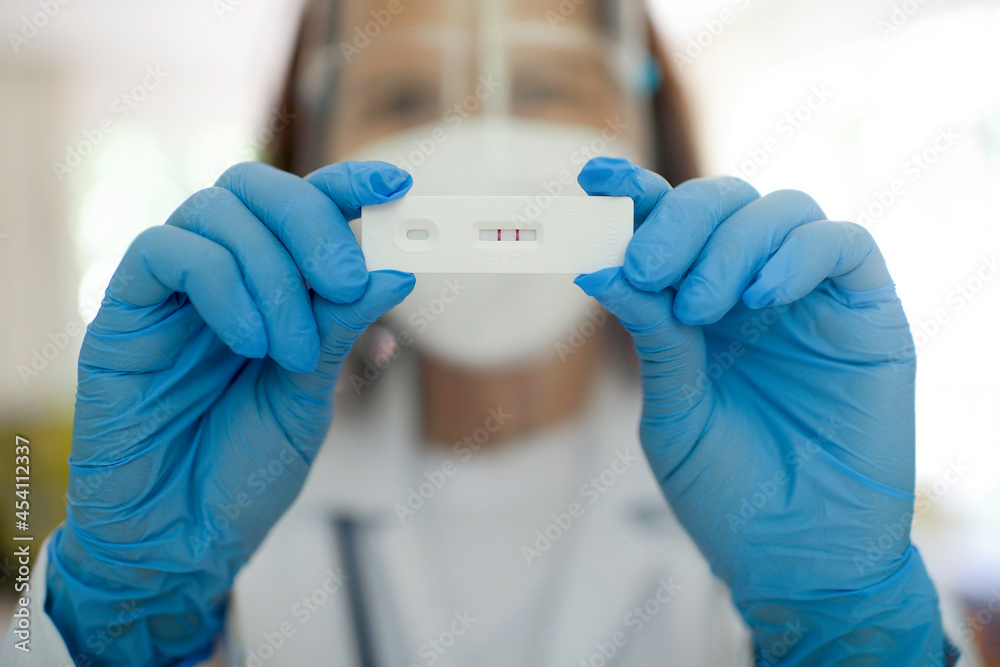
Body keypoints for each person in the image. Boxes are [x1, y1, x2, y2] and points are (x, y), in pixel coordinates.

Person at [2, 0, 960, 665]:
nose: (485, 145)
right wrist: (127, 624)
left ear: (648, 141)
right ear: (316, 160)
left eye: (546, 90)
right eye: (405, 100)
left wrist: (849, 626)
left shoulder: (795, 482)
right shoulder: (234, 494)